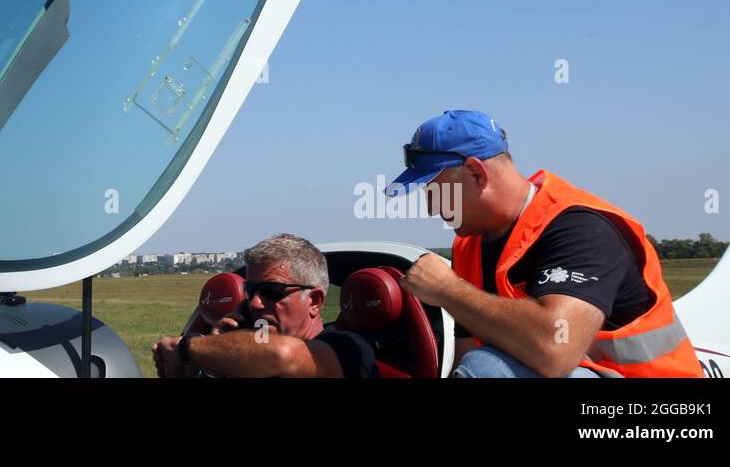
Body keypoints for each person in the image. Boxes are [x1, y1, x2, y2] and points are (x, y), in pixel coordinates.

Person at [388, 109, 701, 378]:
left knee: (486, 369)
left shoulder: (581, 227)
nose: (431, 208)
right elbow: (467, 351)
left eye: (435, 191)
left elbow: (555, 350)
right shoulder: (469, 247)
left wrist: (447, 290)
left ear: (475, 173)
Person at [152, 233, 379, 378]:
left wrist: (189, 348)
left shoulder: (348, 349)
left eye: (272, 292)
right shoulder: (246, 358)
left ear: (314, 301)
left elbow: (282, 355)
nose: (256, 303)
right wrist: (208, 363)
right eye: (250, 292)